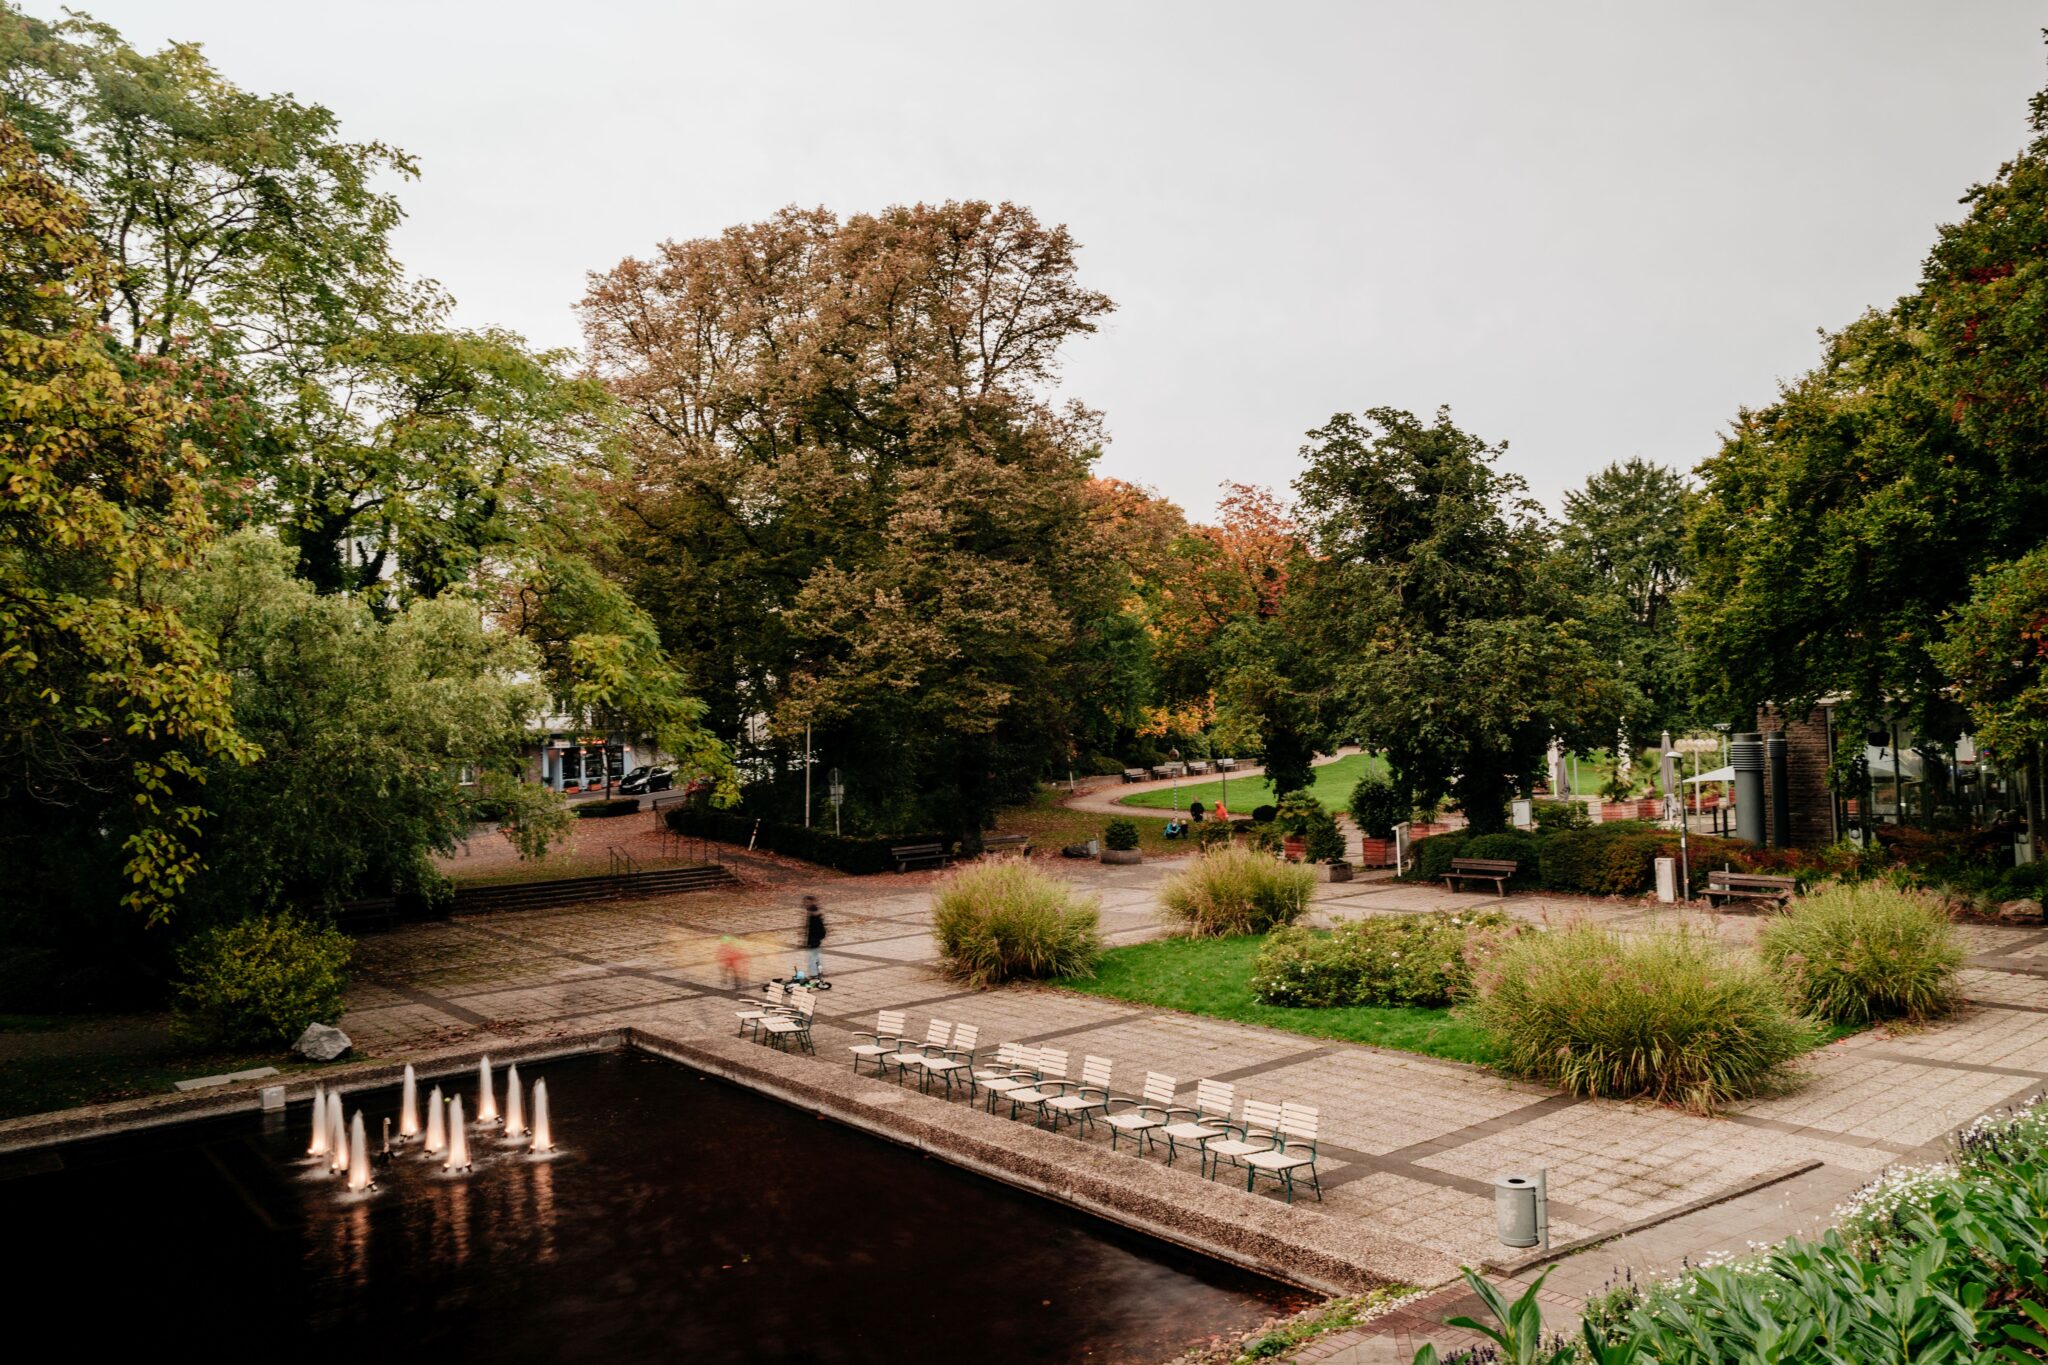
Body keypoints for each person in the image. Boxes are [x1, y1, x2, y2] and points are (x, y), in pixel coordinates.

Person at [802, 896, 827, 978]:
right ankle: (819, 972)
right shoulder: (812, 912)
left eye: (808, 902)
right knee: (816, 956)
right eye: (805, 902)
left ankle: (814, 974)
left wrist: (813, 940)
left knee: (812, 957)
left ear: (812, 902)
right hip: (815, 938)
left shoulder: (814, 914)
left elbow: (816, 928)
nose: (805, 904)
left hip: (815, 939)